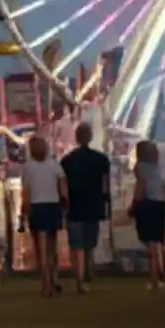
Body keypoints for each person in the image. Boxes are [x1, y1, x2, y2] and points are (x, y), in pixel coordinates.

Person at [60, 122, 110, 294]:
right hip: (93, 204)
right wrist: (105, 201)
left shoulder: (67, 161)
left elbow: (63, 185)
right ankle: (87, 269)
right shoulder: (101, 160)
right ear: (90, 137)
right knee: (89, 242)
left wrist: (64, 204)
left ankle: (80, 277)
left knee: (76, 244)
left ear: (76, 137)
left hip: (75, 205)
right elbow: (105, 185)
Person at [19, 135, 67, 297]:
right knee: (52, 248)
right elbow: (63, 189)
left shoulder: (28, 168)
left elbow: (26, 193)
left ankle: (46, 284)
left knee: (41, 249)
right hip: (53, 206)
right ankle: (54, 280)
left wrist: (23, 212)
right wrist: (64, 205)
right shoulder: (55, 165)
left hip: (37, 207)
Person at [130, 140, 165, 290]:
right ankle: (160, 272)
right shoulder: (159, 167)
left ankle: (153, 278)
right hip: (159, 203)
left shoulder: (140, 167)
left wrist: (134, 205)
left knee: (149, 243)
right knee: (157, 242)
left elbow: (140, 187)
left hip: (147, 203)